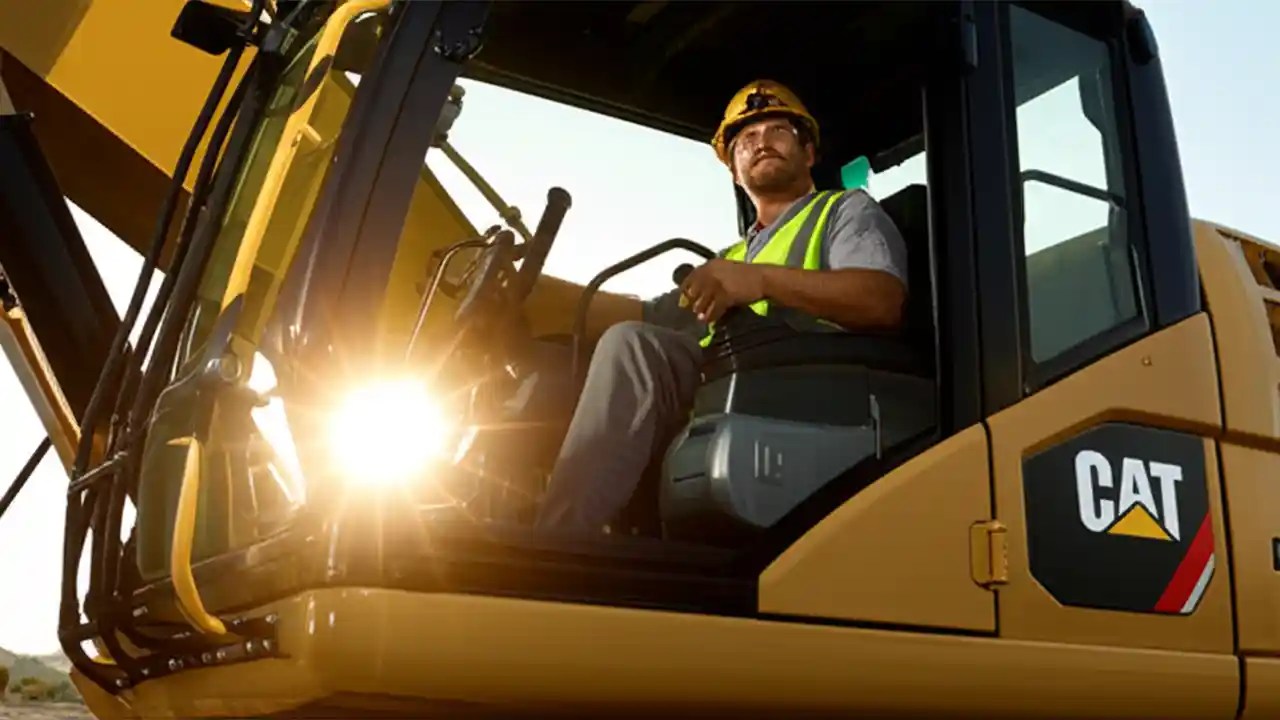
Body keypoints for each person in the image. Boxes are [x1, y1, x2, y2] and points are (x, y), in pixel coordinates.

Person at [535, 79, 909, 532]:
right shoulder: (728, 260)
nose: (762, 142)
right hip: (720, 383)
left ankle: (558, 541)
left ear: (808, 153)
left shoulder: (844, 212)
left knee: (631, 347)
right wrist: (535, 296)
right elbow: (644, 316)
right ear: (735, 171)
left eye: (777, 131)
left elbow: (881, 300)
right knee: (556, 365)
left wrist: (762, 280)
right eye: (746, 139)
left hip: (806, 394)